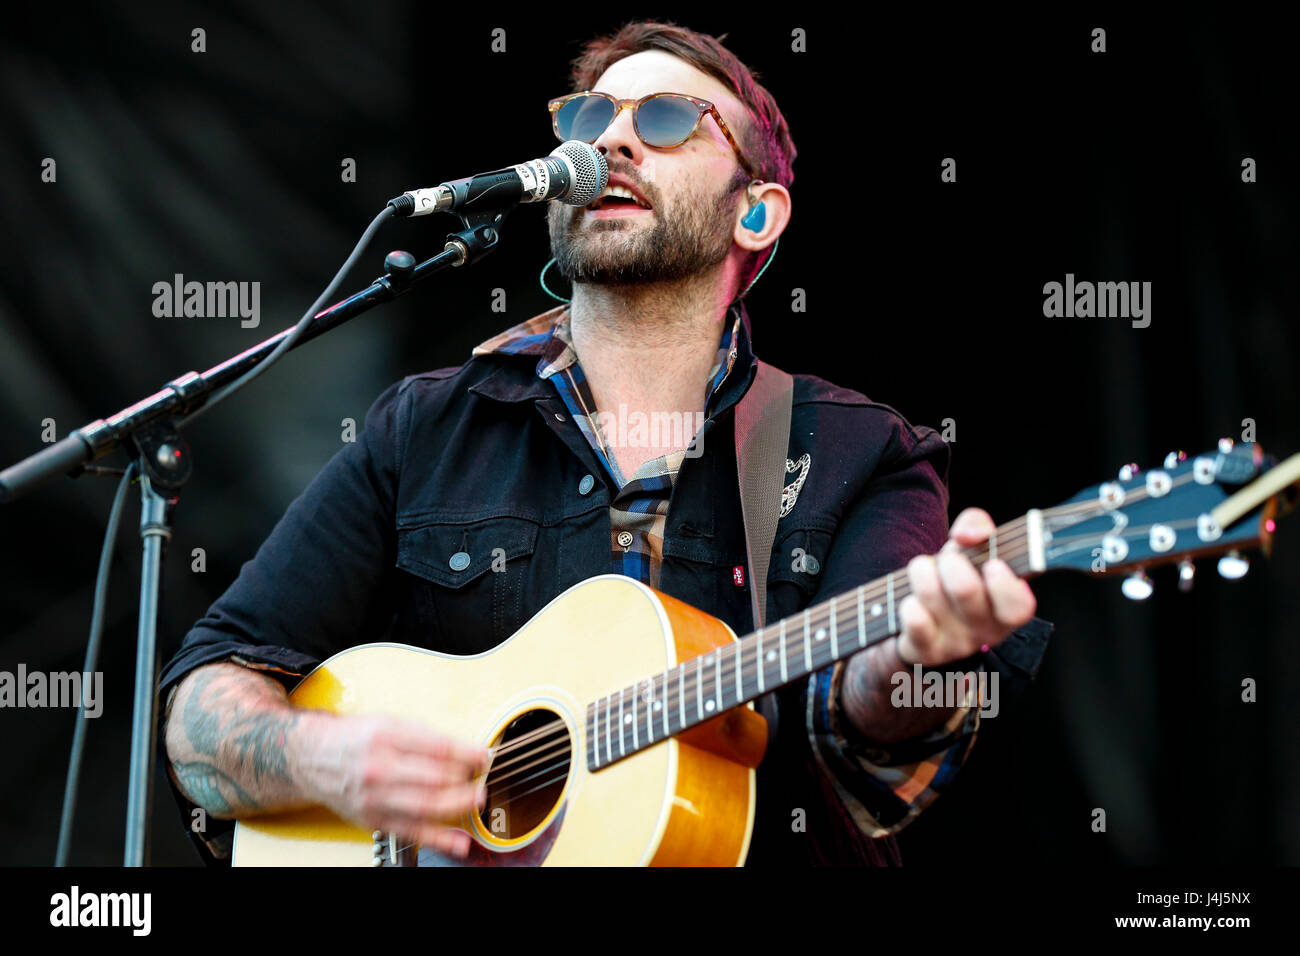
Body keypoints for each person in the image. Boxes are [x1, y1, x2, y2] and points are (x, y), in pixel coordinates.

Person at [159, 21, 1050, 867]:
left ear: (755, 214)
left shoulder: (862, 452)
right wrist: (326, 761)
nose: (613, 140)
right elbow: (203, 701)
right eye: (590, 119)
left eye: (665, 120)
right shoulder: (425, 428)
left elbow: (869, 728)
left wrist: (917, 653)